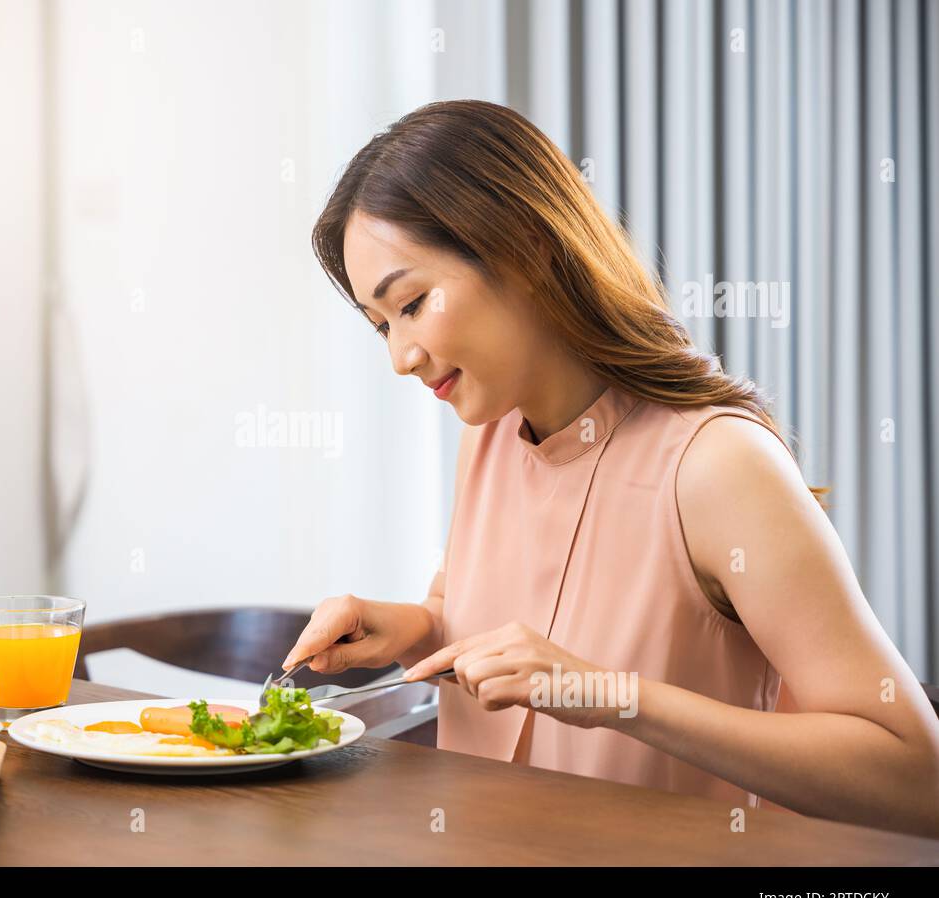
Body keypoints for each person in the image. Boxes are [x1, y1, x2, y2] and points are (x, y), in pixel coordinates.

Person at [283, 100, 939, 838]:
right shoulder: (492, 432)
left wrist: (613, 696)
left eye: (412, 303)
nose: (400, 357)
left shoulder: (717, 466)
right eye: (381, 325)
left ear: (524, 247)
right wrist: (410, 627)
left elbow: (916, 778)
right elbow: (501, 629)